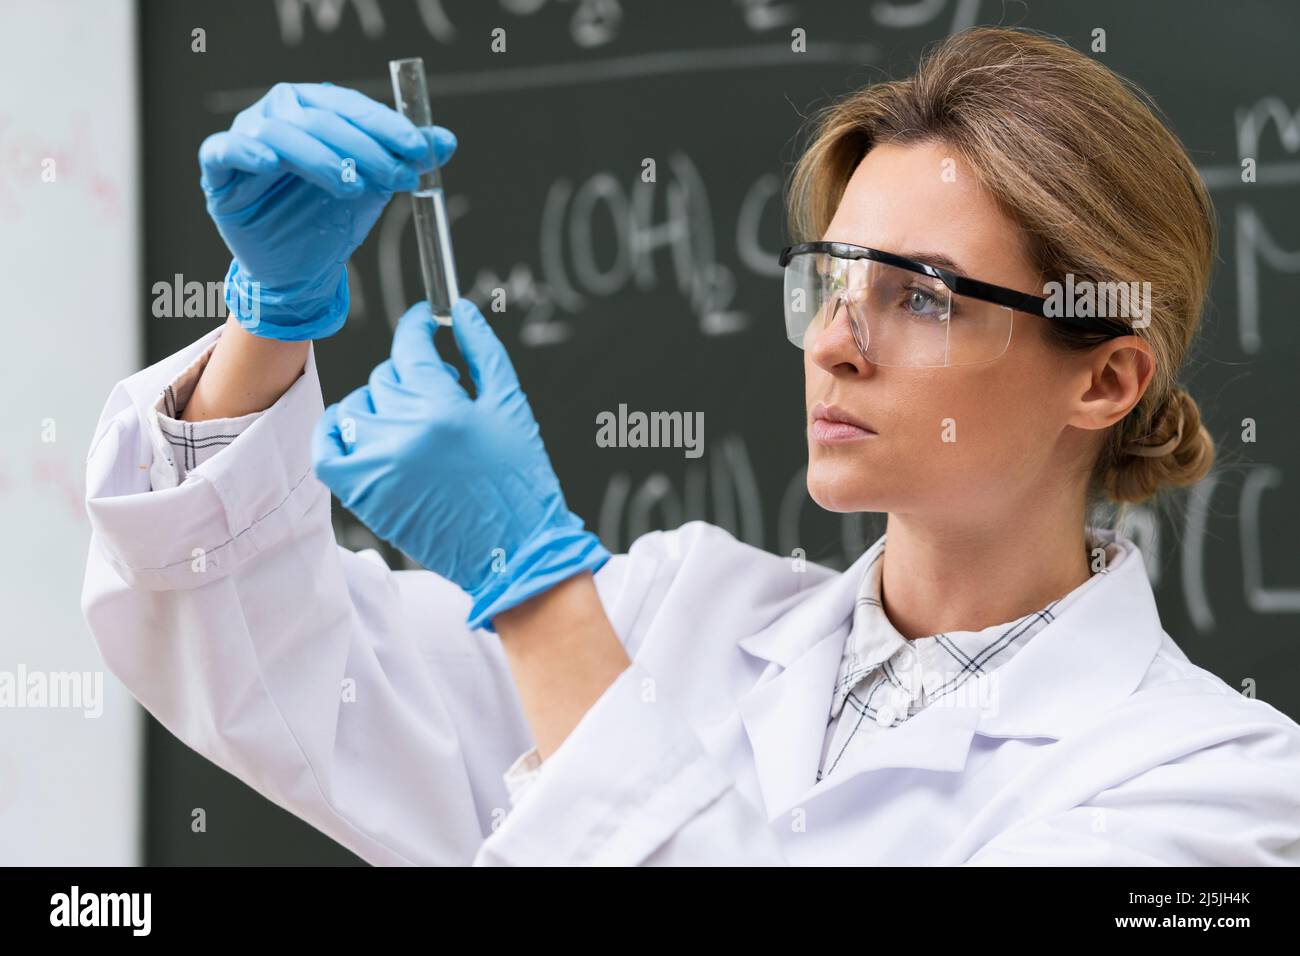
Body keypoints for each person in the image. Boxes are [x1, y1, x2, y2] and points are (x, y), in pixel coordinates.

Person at [83, 28, 1300, 865]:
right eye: (832, 277)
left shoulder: (1217, 785)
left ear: (1103, 374)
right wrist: (271, 318)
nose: (835, 340)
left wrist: (540, 592)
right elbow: (270, 668)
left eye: (921, 296)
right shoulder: (681, 609)